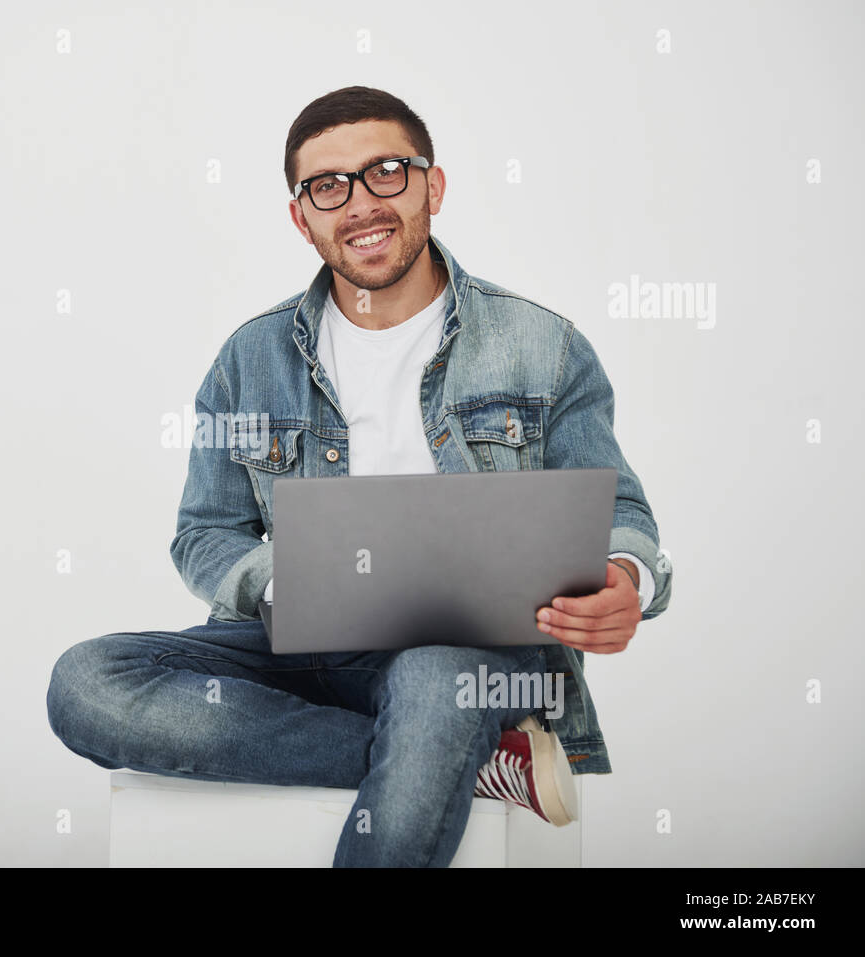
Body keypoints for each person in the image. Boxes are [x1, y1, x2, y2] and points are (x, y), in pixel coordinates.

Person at [46, 86, 672, 867]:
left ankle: (441, 736)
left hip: (463, 657)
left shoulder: (543, 346)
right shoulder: (249, 359)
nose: (360, 204)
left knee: (437, 686)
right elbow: (205, 532)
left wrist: (627, 577)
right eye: (327, 186)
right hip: (298, 647)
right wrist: (290, 585)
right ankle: (464, 757)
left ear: (432, 186)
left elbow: (621, 515)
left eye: (386, 172)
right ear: (301, 217)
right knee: (87, 681)